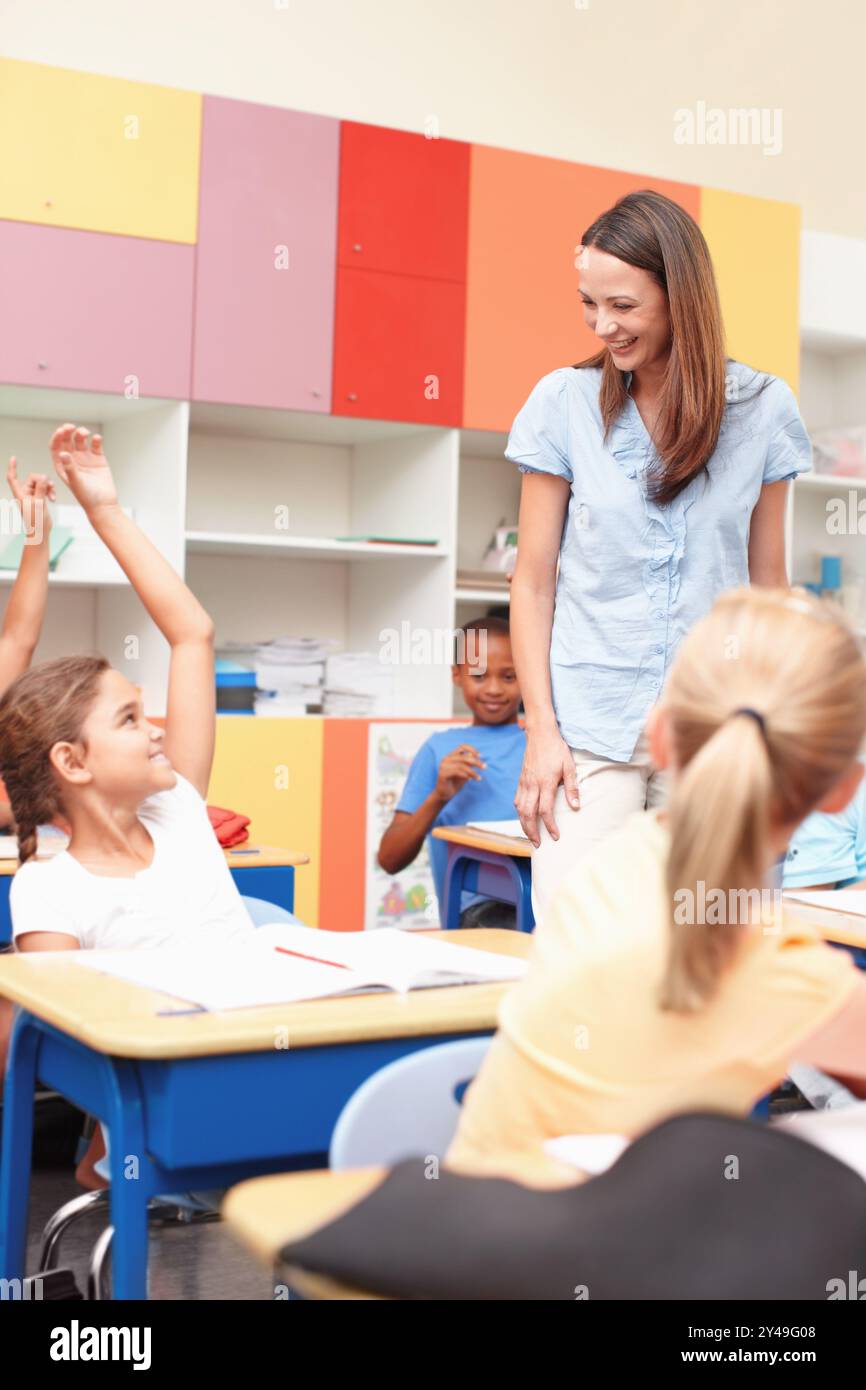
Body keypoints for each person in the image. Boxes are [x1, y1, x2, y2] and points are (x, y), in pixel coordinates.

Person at [446, 587, 866, 1183]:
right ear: (845, 789)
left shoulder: (604, 874)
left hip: (481, 1236)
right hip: (595, 1257)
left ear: (660, 737)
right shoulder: (780, 966)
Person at [509, 189, 809, 918]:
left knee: (704, 955)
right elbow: (534, 580)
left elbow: (767, 587)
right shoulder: (564, 402)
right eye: (589, 304)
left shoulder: (763, 409)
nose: (602, 325)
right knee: (584, 946)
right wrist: (541, 731)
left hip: (714, 728)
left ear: (681, 297)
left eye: (623, 305)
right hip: (589, 729)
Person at [0, 424, 255, 1185]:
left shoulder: (177, 805)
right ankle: (98, 1157)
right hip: (166, 1083)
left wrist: (103, 509)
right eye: (129, 720)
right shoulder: (49, 886)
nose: (156, 731)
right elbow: (73, 1034)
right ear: (71, 763)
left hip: (245, 1050)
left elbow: (192, 634)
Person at [378, 616, 525, 927]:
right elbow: (389, 859)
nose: (495, 689)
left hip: (545, 895)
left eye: (510, 676)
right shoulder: (439, 750)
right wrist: (438, 796)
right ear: (457, 676)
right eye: (479, 676)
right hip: (483, 909)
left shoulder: (543, 744)